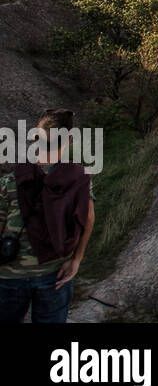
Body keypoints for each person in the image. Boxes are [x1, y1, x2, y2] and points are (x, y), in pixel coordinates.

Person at [0, 109, 95, 324]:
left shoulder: (11, 180)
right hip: (55, 273)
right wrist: (76, 260)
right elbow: (88, 217)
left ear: (35, 135)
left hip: (10, 274)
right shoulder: (78, 177)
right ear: (69, 139)